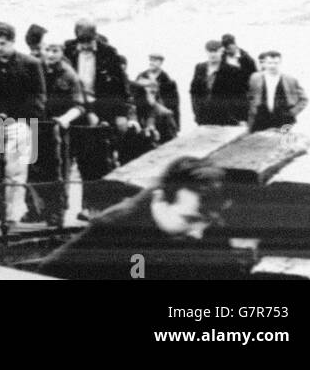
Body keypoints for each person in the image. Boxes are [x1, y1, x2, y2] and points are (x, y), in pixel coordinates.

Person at [38, 156, 234, 280]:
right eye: (189, 219)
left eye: (205, 220)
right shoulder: (115, 229)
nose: (199, 232)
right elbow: (49, 272)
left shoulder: (205, 217)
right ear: (159, 199)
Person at [0, 23, 45, 225]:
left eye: (2, 43)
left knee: (16, 169)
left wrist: (23, 118)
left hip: (19, 121)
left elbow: (38, 97)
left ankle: (13, 213)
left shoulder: (30, 64)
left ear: (12, 42)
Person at [63, 19, 136, 213]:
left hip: (100, 111)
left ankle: (91, 207)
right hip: (74, 109)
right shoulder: (67, 50)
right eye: (82, 41)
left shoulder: (108, 53)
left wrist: (122, 114)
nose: (86, 45)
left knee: (94, 161)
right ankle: (60, 209)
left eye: (89, 40)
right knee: (67, 159)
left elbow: (122, 87)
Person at [31, 36, 84, 227]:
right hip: (37, 124)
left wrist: (64, 119)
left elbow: (79, 106)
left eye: (55, 50)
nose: (51, 55)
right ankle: (38, 210)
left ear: (61, 52)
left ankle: (57, 212)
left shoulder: (69, 75)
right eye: (48, 50)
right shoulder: (35, 68)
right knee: (35, 168)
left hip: (58, 128)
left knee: (59, 171)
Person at [118, 76, 179, 164]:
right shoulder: (131, 113)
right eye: (142, 93)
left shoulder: (164, 114)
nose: (146, 97)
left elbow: (173, 146)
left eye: (151, 92)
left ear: (155, 93)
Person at [191, 38, 251, 126]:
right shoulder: (200, 68)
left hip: (226, 119)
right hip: (204, 118)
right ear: (206, 52)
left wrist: (243, 118)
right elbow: (194, 92)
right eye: (210, 51)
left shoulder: (233, 70)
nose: (212, 54)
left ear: (222, 51)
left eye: (216, 51)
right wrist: (197, 113)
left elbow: (241, 95)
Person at [247, 51, 308, 132]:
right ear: (264, 63)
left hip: (284, 120)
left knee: (284, 142)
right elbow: (248, 96)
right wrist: (253, 109)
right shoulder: (255, 78)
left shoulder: (290, 80)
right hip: (260, 119)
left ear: (280, 63)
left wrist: (293, 112)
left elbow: (304, 99)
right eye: (269, 63)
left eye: (276, 63)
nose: (273, 66)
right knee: (258, 142)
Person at [134, 53, 181, 132]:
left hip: (162, 118)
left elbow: (174, 105)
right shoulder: (141, 77)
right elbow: (135, 96)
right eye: (151, 60)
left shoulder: (168, 82)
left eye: (155, 61)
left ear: (161, 62)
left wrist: (176, 125)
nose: (152, 63)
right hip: (144, 114)